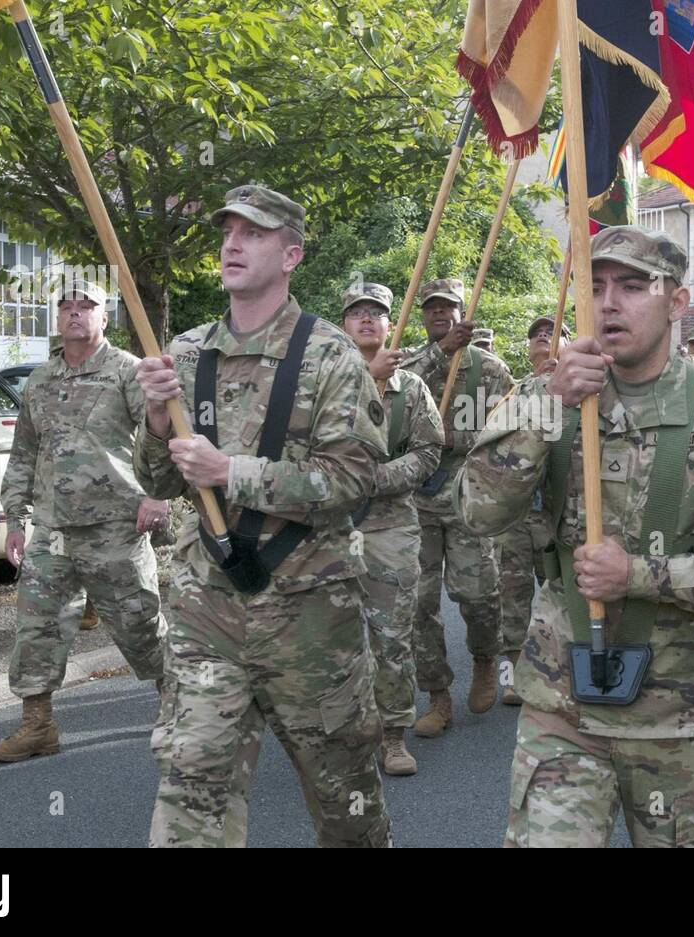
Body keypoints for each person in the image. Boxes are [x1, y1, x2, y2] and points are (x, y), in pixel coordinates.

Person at [455, 226, 694, 847]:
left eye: (632, 285)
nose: (610, 302)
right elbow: (478, 512)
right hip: (562, 706)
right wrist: (550, 410)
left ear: (677, 301)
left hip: (683, 717)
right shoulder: (544, 401)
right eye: (594, 288)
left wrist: (642, 576)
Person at [134, 184, 392, 848]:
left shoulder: (332, 355)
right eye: (228, 231)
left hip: (310, 621)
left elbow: (354, 479)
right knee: (191, 790)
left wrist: (232, 472)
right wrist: (157, 420)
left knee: (347, 808)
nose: (233, 243)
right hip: (206, 611)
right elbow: (158, 478)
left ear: (291, 254)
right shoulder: (185, 353)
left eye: (254, 232)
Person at [0, 280, 166, 763]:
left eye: (85, 305)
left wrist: (157, 496)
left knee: (140, 626)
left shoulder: (128, 372)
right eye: (65, 305)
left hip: (115, 527)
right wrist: (15, 518)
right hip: (53, 530)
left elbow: (162, 439)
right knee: (37, 628)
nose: (74, 312)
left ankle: (176, 709)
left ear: (104, 316)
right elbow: (25, 451)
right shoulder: (41, 379)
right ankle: (37, 724)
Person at [400, 279, 515, 734]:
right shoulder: (409, 366)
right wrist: (438, 352)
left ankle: (487, 659)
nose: (439, 315)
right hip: (416, 498)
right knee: (418, 603)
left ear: (463, 312)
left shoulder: (489, 371)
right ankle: (437, 695)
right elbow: (380, 386)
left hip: (467, 495)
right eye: (431, 309)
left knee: (477, 594)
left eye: (448, 308)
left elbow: (514, 428)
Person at [341, 282, 444, 772]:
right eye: (357, 312)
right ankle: (345, 732)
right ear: (344, 325)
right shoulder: (326, 380)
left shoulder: (413, 388)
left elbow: (429, 450)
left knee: (392, 635)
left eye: (376, 313)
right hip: (332, 526)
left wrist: (381, 477)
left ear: (389, 325)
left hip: (390, 526)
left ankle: (394, 734)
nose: (367, 319)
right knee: (334, 638)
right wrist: (362, 377)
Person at [495, 315, 571, 706]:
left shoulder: (580, 393)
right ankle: (511, 676)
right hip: (518, 513)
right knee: (511, 596)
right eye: (536, 335)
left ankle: (555, 672)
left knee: (559, 594)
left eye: (554, 333)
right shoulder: (513, 392)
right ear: (527, 351)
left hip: (558, 514)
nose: (544, 337)